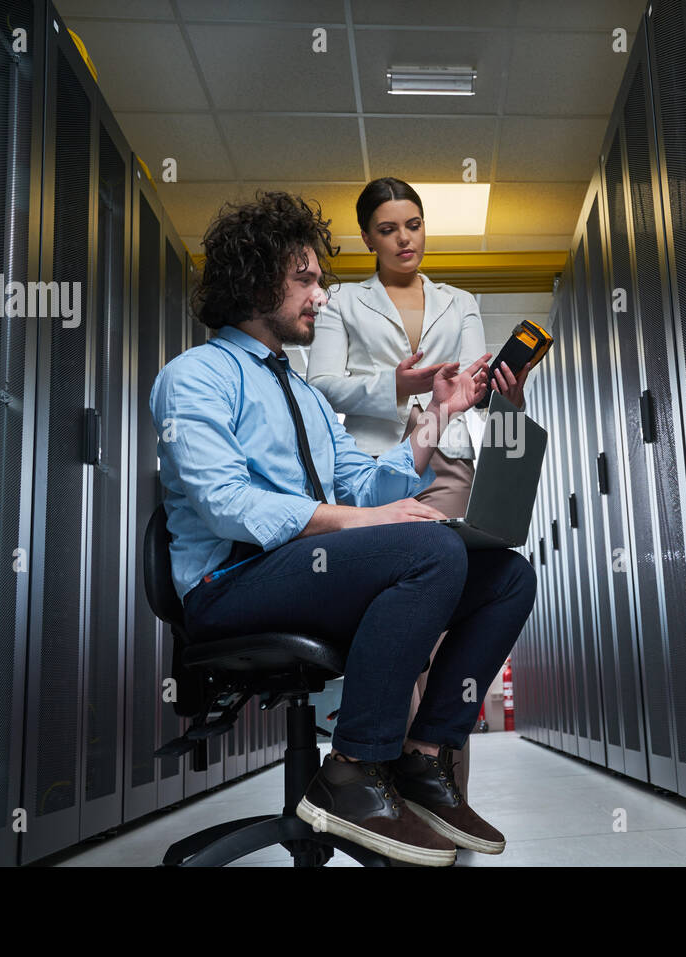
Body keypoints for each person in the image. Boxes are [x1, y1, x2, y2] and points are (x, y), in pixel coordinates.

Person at [150, 191, 537, 867]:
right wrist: (365, 521)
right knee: (431, 547)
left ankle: (422, 756)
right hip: (229, 584)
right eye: (305, 279)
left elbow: (364, 482)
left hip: (305, 573)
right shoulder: (194, 377)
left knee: (506, 576)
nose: (319, 297)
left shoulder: (304, 395)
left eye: (319, 282)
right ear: (258, 280)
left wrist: (438, 417)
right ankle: (352, 771)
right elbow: (225, 502)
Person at [306, 177, 532, 802]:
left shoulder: (459, 300)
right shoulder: (343, 304)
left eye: (413, 224)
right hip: (377, 467)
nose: (404, 239)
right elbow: (320, 385)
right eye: (387, 229)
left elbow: (473, 388)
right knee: (403, 621)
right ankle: (384, 794)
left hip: (450, 462)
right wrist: (398, 385)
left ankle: (440, 792)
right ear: (367, 239)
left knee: (443, 624)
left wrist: (503, 389)